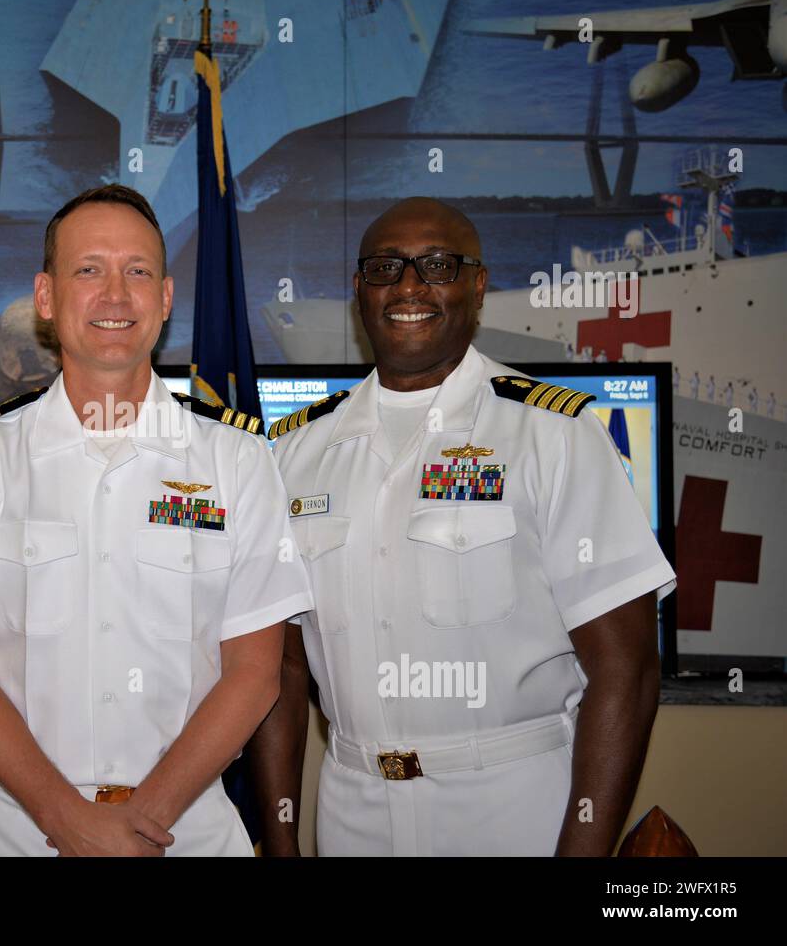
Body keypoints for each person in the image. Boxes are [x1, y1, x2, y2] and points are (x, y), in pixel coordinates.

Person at [251, 198, 675, 856]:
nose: (410, 287)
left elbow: (627, 670)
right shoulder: (294, 452)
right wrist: (279, 843)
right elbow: (278, 665)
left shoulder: (554, 434)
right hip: (353, 810)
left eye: (438, 266)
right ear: (360, 290)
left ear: (476, 286)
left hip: (515, 809)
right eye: (386, 268)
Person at [0, 185, 312, 856]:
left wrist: (142, 818)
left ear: (165, 298)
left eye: (138, 272)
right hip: (13, 829)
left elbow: (254, 673)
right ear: (46, 296)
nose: (115, 294)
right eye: (89, 270)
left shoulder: (237, 461)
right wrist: (67, 818)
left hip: (185, 830)